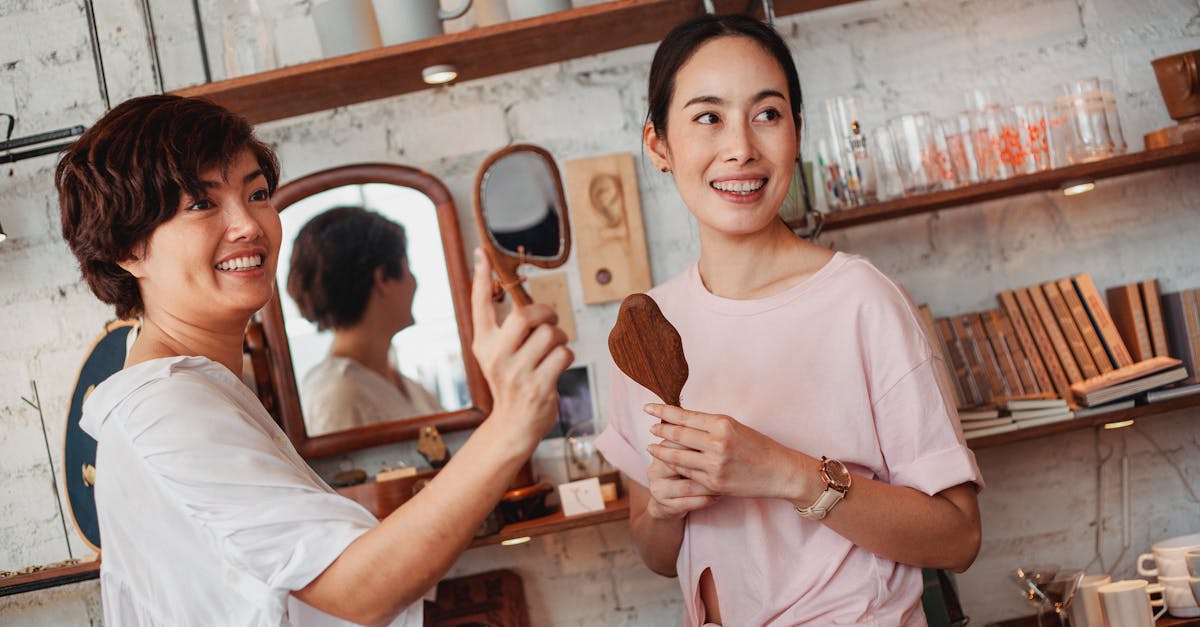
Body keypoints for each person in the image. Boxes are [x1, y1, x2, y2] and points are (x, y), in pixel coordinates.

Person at [56, 94, 572, 626]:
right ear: (127, 247)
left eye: (256, 193)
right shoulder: (163, 408)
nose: (249, 225)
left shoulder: (202, 392)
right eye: (202, 204)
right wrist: (510, 424)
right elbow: (357, 590)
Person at [593, 14, 983, 626]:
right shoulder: (647, 331)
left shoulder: (862, 301)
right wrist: (667, 509)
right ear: (658, 146)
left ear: (796, 133)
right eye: (707, 117)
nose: (741, 148)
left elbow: (957, 538)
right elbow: (655, 551)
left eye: (767, 114)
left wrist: (786, 472)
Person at [287, 207, 443, 437]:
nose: (414, 282)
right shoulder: (338, 393)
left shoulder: (406, 385)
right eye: (407, 267)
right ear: (382, 278)